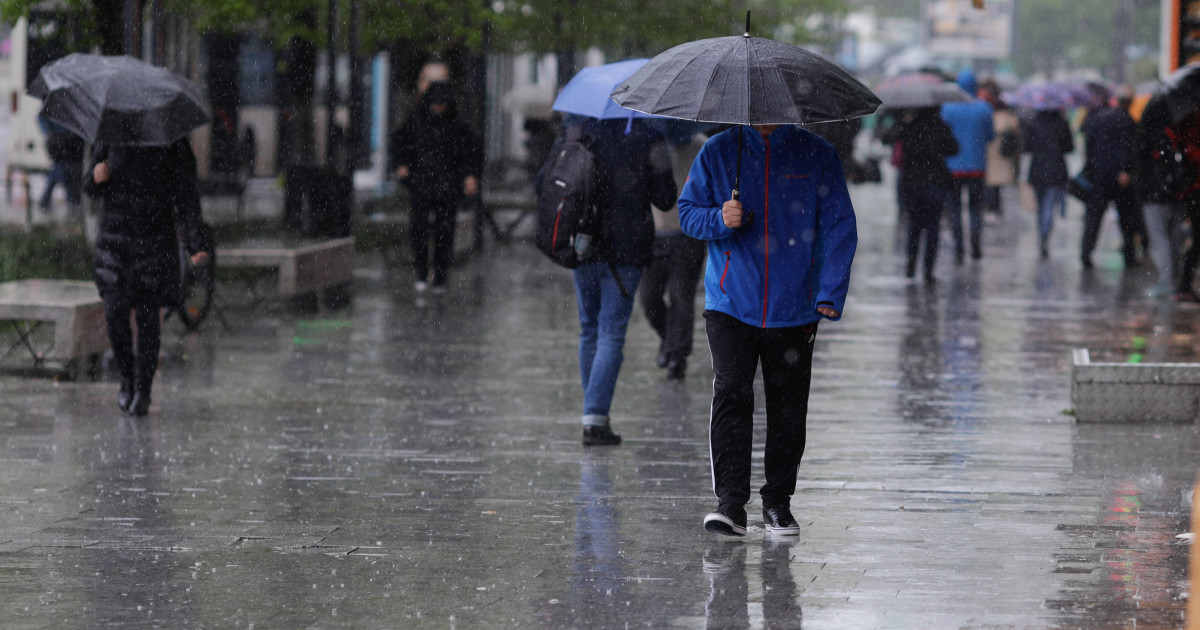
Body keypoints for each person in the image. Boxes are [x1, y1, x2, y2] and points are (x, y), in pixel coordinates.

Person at [678, 123, 857, 537]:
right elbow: (687, 214)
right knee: (731, 395)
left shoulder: (817, 153)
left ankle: (777, 502)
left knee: (788, 408)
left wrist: (829, 291)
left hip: (794, 308)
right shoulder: (719, 151)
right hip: (730, 303)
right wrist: (719, 218)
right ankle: (730, 504)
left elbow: (839, 225)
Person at [538, 117, 677, 446]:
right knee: (611, 334)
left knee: (589, 329)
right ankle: (595, 418)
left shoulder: (576, 131)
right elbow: (665, 198)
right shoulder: (649, 136)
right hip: (627, 249)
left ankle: (593, 414)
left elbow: (543, 181)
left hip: (583, 242)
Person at [84, 138, 211, 416]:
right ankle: (127, 379)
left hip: (153, 240)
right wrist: (96, 176)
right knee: (115, 315)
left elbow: (187, 195)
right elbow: (90, 184)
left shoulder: (171, 137)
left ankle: (144, 389)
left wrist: (195, 243)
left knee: (147, 319)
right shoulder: (112, 129)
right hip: (114, 241)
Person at [389, 81, 482, 292]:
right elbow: (399, 143)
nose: (438, 109)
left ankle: (439, 275)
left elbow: (470, 152)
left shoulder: (456, 127)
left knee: (444, 231)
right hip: (423, 184)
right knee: (420, 229)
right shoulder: (416, 123)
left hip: (446, 185)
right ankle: (422, 273)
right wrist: (401, 165)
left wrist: (469, 175)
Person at [638, 128, 707, 380]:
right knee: (648, 298)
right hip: (653, 234)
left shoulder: (702, 146)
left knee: (681, 296)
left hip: (689, 235)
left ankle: (677, 357)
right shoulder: (651, 143)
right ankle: (670, 339)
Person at [881, 107, 959, 283]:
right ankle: (928, 270)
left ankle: (911, 265)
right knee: (932, 227)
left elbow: (889, 139)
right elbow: (954, 149)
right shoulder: (940, 127)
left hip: (912, 183)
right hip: (935, 183)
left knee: (914, 226)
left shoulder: (909, 127)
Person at [1078, 86, 1144, 269]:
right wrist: (1124, 170)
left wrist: (1093, 164)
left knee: (1094, 217)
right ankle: (1129, 255)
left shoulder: (1099, 118)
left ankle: (1086, 253)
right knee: (1126, 217)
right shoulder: (1129, 121)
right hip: (1120, 179)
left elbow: (1089, 142)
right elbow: (1127, 148)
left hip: (1099, 175)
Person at [940, 69, 994, 262]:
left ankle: (959, 246)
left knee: (954, 208)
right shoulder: (985, 108)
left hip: (952, 168)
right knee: (975, 207)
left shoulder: (947, 108)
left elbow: (943, 137)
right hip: (977, 167)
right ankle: (975, 242)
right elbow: (990, 137)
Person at [1023, 107, 1074, 258]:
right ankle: (1045, 234)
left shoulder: (1034, 123)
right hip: (1056, 169)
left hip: (1038, 169)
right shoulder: (1062, 123)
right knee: (1049, 205)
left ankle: (1042, 233)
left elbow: (1027, 147)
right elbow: (1070, 147)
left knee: (1041, 206)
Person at [980, 79, 1021, 219]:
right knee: (996, 184)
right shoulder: (1007, 113)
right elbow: (1016, 131)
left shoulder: (985, 110)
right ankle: (995, 208)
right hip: (1002, 151)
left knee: (991, 182)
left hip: (990, 151)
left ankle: (991, 208)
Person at [39, 117, 84, 212]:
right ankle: (71, 202)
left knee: (60, 174)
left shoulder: (56, 112)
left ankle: (46, 201)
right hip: (60, 148)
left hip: (65, 149)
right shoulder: (53, 112)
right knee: (63, 175)